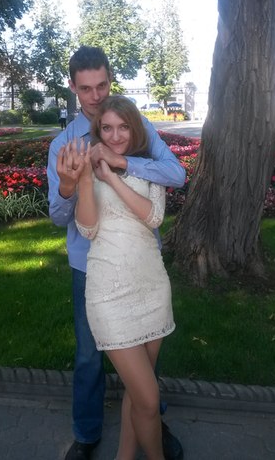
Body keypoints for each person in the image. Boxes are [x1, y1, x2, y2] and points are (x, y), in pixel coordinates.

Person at [47, 46, 186, 460]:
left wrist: (121, 161)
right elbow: (58, 216)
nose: (95, 96)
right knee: (89, 357)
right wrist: (70, 185)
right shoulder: (64, 144)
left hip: (142, 265)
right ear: (73, 88)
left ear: (110, 80)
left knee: (144, 364)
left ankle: (151, 421)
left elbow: (175, 173)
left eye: (102, 85)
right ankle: (87, 434)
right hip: (90, 265)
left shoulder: (133, 126)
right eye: (85, 88)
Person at [65, 95, 175, 459]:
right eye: (107, 128)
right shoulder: (87, 166)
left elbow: (153, 217)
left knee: (137, 394)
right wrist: (86, 180)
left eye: (123, 127)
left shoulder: (148, 166)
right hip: (108, 294)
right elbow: (88, 228)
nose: (115, 136)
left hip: (151, 287)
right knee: (149, 398)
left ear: (135, 128)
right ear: (98, 130)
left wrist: (112, 177)